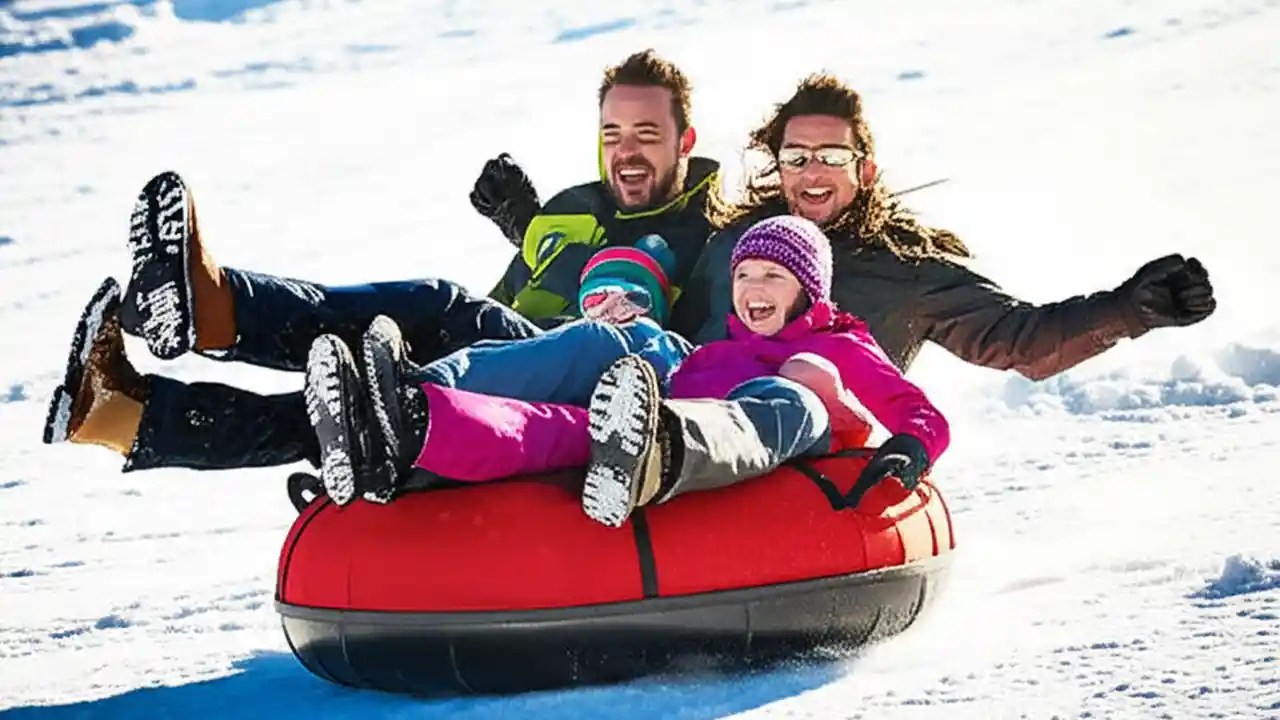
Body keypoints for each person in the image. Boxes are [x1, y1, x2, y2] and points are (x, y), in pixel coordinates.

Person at [42, 50, 727, 492]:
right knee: (351, 394)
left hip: (604, 381)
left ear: (685, 142)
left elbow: (729, 335)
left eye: (647, 136)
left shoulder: (718, 234)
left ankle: (214, 312)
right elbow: (521, 302)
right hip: (519, 354)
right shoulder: (575, 212)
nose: (626, 153)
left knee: (428, 316)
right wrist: (526, 228)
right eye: (613, 134)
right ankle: (129, 411)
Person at [306, 216, 950, 526]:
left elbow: (917, 411)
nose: (754, 289)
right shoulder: (718, 344)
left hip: (767, 434)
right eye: (745, 275)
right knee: (619, 342)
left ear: (809, 290)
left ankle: (655, 453)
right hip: (643, 411)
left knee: (794, 391)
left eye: (773, 277)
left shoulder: (837, 343)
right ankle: (413, 408)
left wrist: (909, 451)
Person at [661, 73, 1216, 377]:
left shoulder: (906, 272)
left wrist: (1126, 309)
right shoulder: (731, 245)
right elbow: (673, 339)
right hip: (696, 443)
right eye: (796, 156)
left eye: (832, 156)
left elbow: (1018, 340)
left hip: (814, 469)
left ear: (865, 170)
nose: (812, 172)